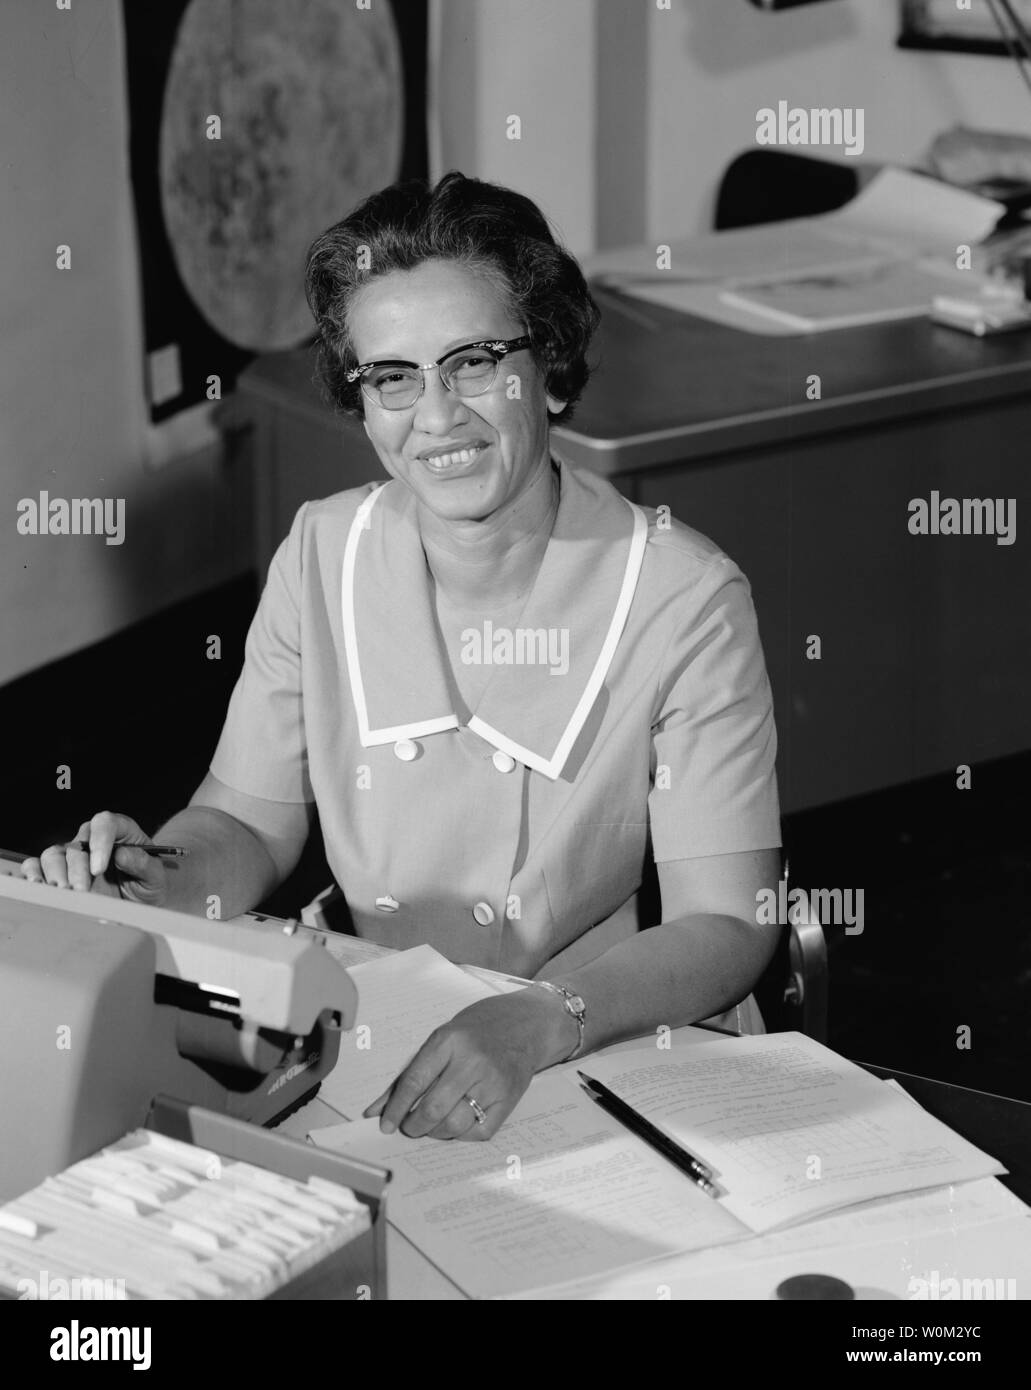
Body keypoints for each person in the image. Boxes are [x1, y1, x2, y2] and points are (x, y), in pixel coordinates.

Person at [21, 172, 782, 1142]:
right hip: (374, 1033)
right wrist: (147, 877)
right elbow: (247, 828)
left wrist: (543, 1020)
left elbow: (728, 923)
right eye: (393, 377)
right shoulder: (322, 552)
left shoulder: (681, 598)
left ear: (546, 365)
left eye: (472, 363)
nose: (436, 415)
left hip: (605, 1037)